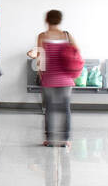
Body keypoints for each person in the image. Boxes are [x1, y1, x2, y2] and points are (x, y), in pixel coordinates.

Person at [27, 9, 78, 148]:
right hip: (66, 80)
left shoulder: (42, 36)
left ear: (46, 20)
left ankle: (50, 139)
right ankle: (65, 139)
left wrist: (34, 56)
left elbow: (40, 58)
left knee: (49, 108)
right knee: (65, 108)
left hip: (49, 79)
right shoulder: (67, 36)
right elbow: (76, 53)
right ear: (60, 20)